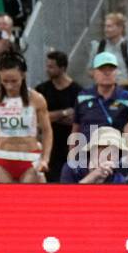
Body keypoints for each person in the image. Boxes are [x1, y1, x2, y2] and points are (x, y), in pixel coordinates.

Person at [0, 52, 50, 183]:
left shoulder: (36, 99)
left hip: (29, 158)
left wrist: (45, 159)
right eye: (5, 81)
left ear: (23, 76)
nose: (9, 86)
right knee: (5, 201)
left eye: (14, 81)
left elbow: (47, 131)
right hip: (2, 158)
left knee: (27, 201)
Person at [35, 49, 80, 182]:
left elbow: (75, 119)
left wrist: (51, 117)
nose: (47, 69)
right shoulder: (42, 90)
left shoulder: (76, 90)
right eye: (47, 66)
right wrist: (63, 112)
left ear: (62, 68)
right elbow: (38, 118)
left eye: (51, 67)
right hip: (49, 144)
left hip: (69, 143)